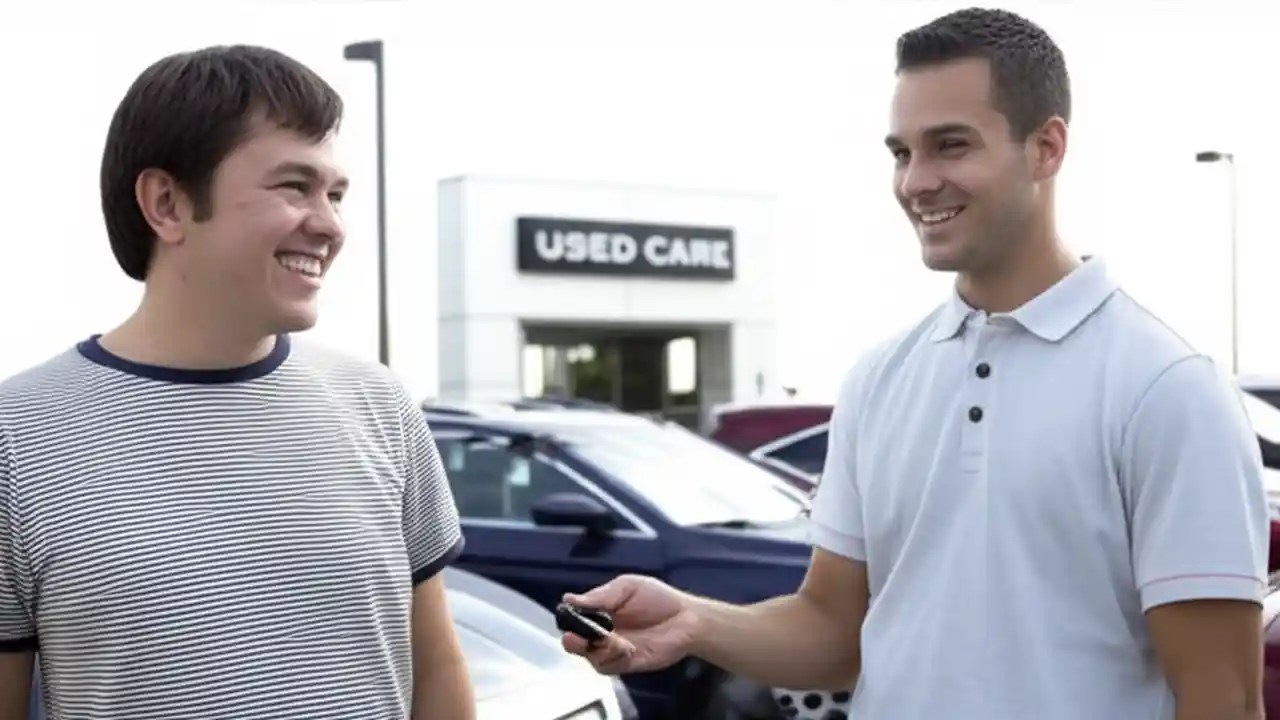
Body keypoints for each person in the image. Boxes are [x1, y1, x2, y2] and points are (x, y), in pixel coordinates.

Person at [561, 8, 1269, 720]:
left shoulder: (1167, 389)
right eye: (902, 153)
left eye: (950, 146)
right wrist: (693, 622)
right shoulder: (879, 379)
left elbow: (1222, 700)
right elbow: (834, 633)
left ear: (1046, 148)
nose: (916, 182)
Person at [0, 46, 476, 719]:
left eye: (335, 194)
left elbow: (437, 669)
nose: (331, 225)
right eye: (294, 186)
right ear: (166, 203)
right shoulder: (16, 436)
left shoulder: (378, 404)